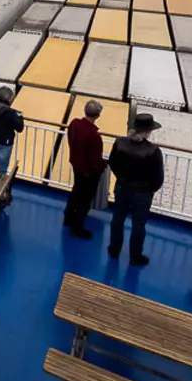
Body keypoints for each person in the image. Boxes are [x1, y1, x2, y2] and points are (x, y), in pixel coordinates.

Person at [107, 113, 165, 266]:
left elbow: (112, 163)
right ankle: (135, 256)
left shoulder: (119, 143)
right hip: (142, 194)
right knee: (138, 225)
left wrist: (121, 179)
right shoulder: (153, 151)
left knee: (117, 220)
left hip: (122, 188)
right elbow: (158, 178)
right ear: (147, 132)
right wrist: (149, 190)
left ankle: (114, 249)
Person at [64, 100, 107, 239]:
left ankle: (68, 217)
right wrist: (101, 167)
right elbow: (95, 160)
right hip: (88, 172)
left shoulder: (74, 123)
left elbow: (71, 140)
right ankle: (77, 228)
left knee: (76, 190)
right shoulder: (94, 136)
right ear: (98, 115)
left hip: (76, 164)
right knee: (85, 199)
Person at [0, 86, 24, 173]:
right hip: (4, 143)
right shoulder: (10, 113)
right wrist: (20, 117)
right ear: (9, 99)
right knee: (2, 168)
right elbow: (20, 128)